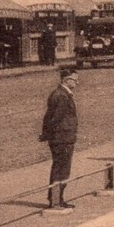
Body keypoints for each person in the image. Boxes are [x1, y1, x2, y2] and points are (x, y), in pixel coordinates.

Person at [38, 67, 79, 208]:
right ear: (66, 80)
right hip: (62, 138)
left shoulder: (61, 94)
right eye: (74, 80)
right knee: (61, 169)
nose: (77, 83)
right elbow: (55, 119)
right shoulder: (62, 95)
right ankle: (56, 200)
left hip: (62, 137)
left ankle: (57, 198)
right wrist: (49, 134)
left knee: (61, 168)